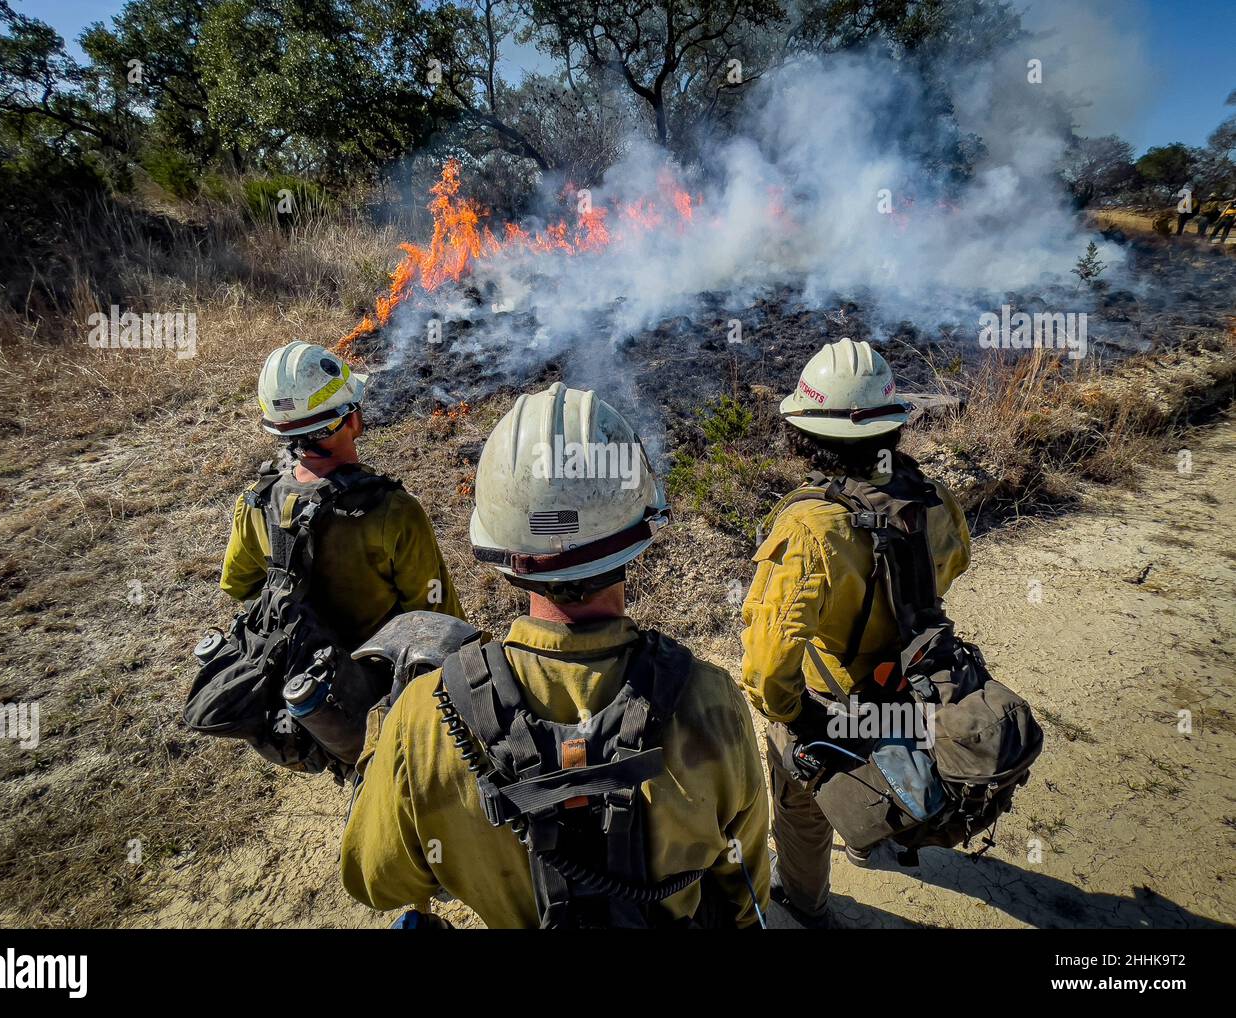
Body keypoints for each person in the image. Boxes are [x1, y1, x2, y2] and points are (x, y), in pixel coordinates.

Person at [341, 382, 769, 928]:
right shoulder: (712, 701)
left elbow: (373, 880)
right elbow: (745, 889)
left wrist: (385, 742)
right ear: (638, 535)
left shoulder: (425, 718)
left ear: (499, 552)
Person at [739, 338, 971, 927]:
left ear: (807, 434)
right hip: (912, 678)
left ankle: (805, 902)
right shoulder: (934, 497)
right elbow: (955, 563)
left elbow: (768, 666)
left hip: (836, 695)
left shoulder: (810, 525)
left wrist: (792, 715)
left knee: (799, 794)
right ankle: (880, 828)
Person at [220, 340, 464, 647]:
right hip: (384, 683)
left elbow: (238, 583)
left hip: (300, 678)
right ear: (352, 419)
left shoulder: (255, 502)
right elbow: (438, 617)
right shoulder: (393, 511)